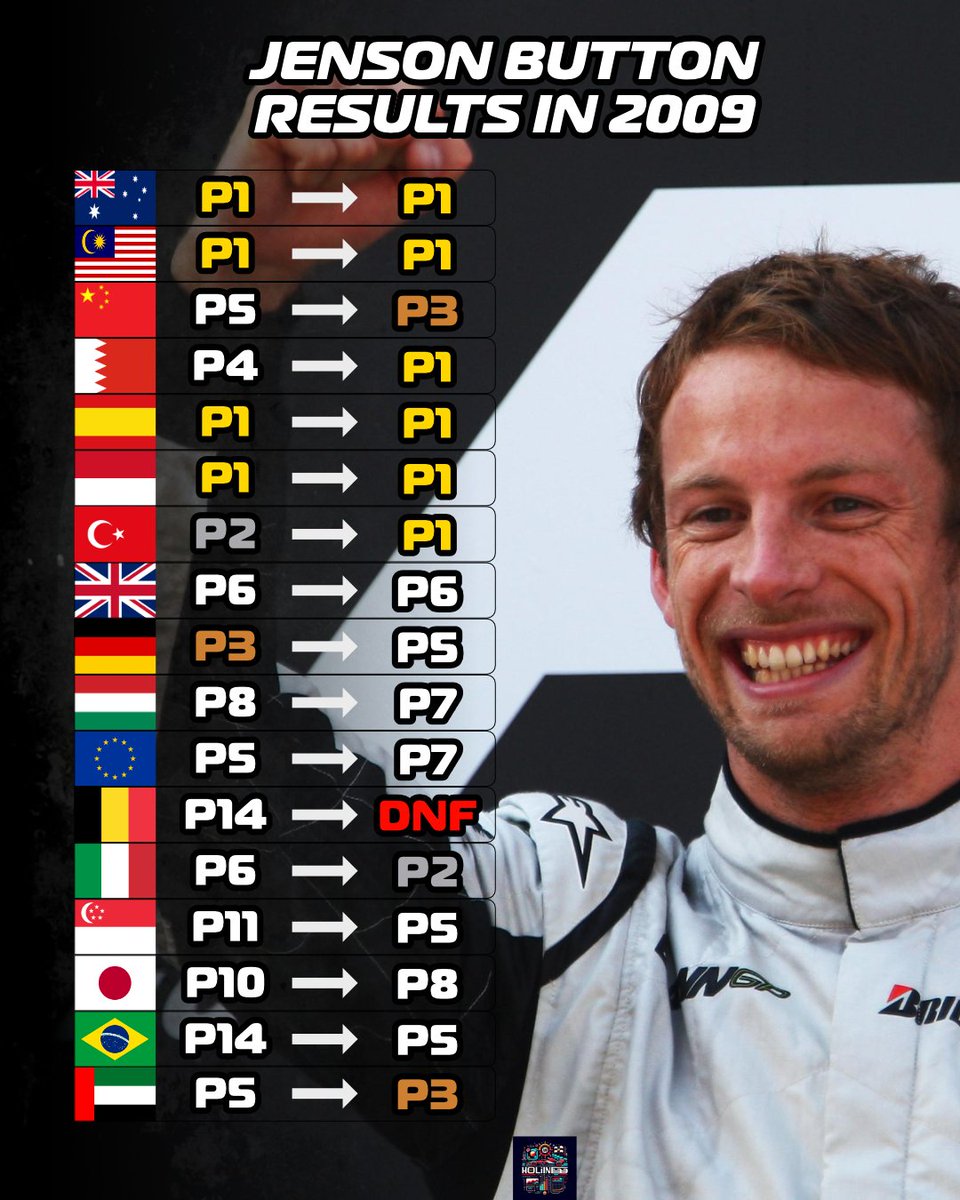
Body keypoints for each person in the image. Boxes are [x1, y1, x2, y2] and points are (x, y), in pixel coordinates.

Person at [462, 248, 959, 1198]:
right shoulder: (554, 927)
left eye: (843, 505)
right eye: (716, 515)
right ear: (661, 574)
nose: (766, 574)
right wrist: (212, 291)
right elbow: (198, 813)